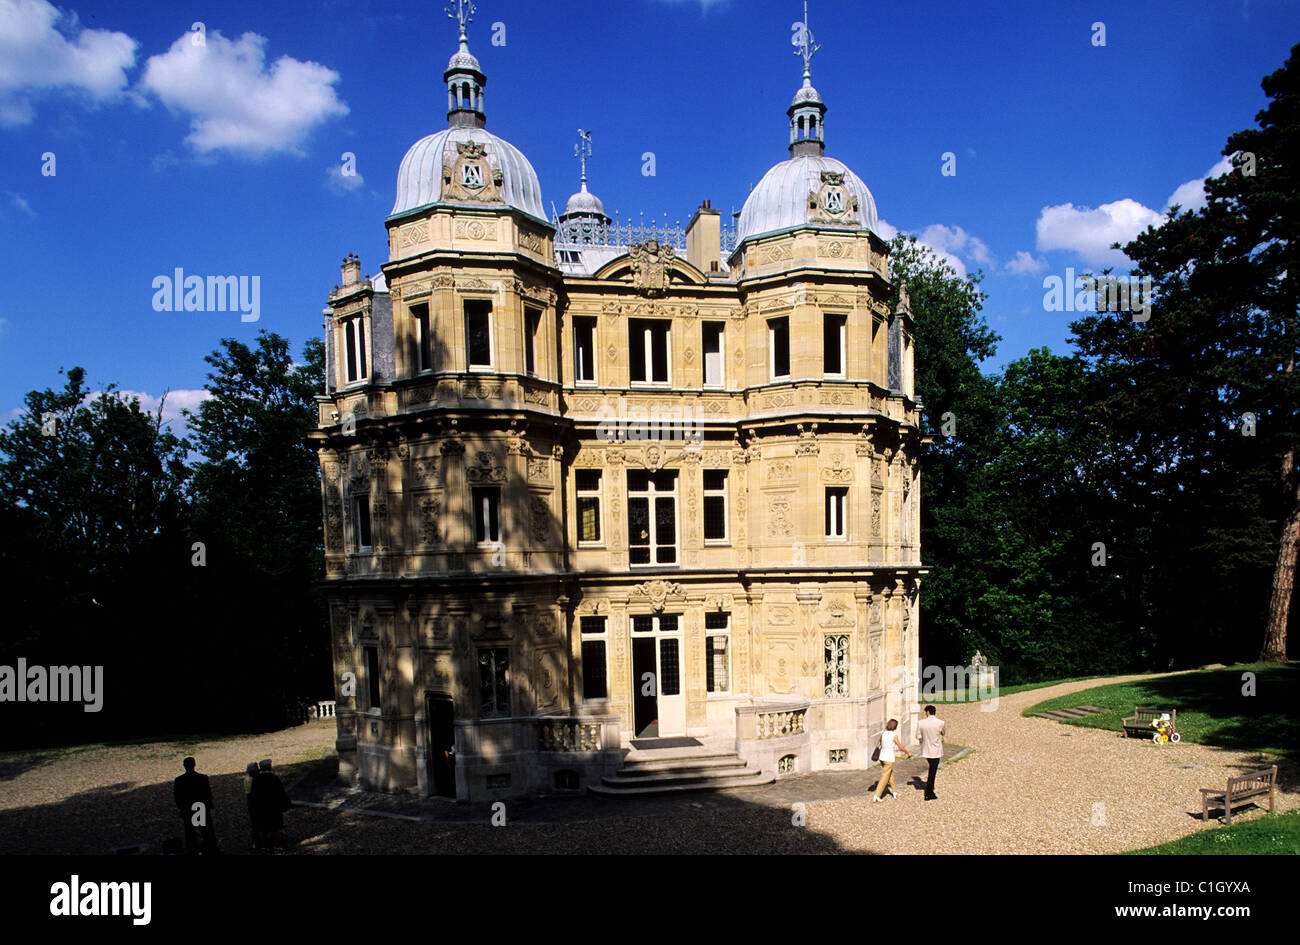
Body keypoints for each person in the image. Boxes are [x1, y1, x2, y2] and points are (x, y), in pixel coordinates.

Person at [172, 757, 218, 854]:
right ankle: (211, 850)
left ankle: (193, 851)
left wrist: (182, 808)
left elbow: (178, 798)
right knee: (205, 831)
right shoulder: (203, 778)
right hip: (200, 807)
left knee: (190, 833)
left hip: (188, 809)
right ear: (194, 765)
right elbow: (208, 794)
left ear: (184, 766)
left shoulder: (179, 780)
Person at [250, 758, 292, 853]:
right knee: (275, 828)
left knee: (263, 828)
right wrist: (285, 804)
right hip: (273, 807)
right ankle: (276, 845)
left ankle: (264, 846)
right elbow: (281, 792)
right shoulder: (274, 778)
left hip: (261, 808)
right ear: (269, 767)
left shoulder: (256, 780)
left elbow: (253, 796)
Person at [872, 718, 911, 802]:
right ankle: (877, 795)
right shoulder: (893, 735)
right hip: (888, 757)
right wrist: (907, 753)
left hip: (882, 756)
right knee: (884, 777)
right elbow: (900, 746)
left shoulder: (883, 733)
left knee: (890, 774)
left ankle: (894, 791)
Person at [917, 704, 947, 800]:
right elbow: (943, 733)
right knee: (932, 771)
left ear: (928, 712)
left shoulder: (921, 723)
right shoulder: (940, 723)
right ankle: (929, 792)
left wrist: (923, 741)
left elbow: (918, 736)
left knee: (932, 769)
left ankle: (930, 790)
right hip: (936, 750)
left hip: (926, 749)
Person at [242, 762, 260, 850]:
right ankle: (255, 842)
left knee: (254, 823)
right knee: (255, 823)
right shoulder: (251, 780)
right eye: (257, 769)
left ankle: (255, 842)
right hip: (253, 802)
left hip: (251, 801)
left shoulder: (247, 778)